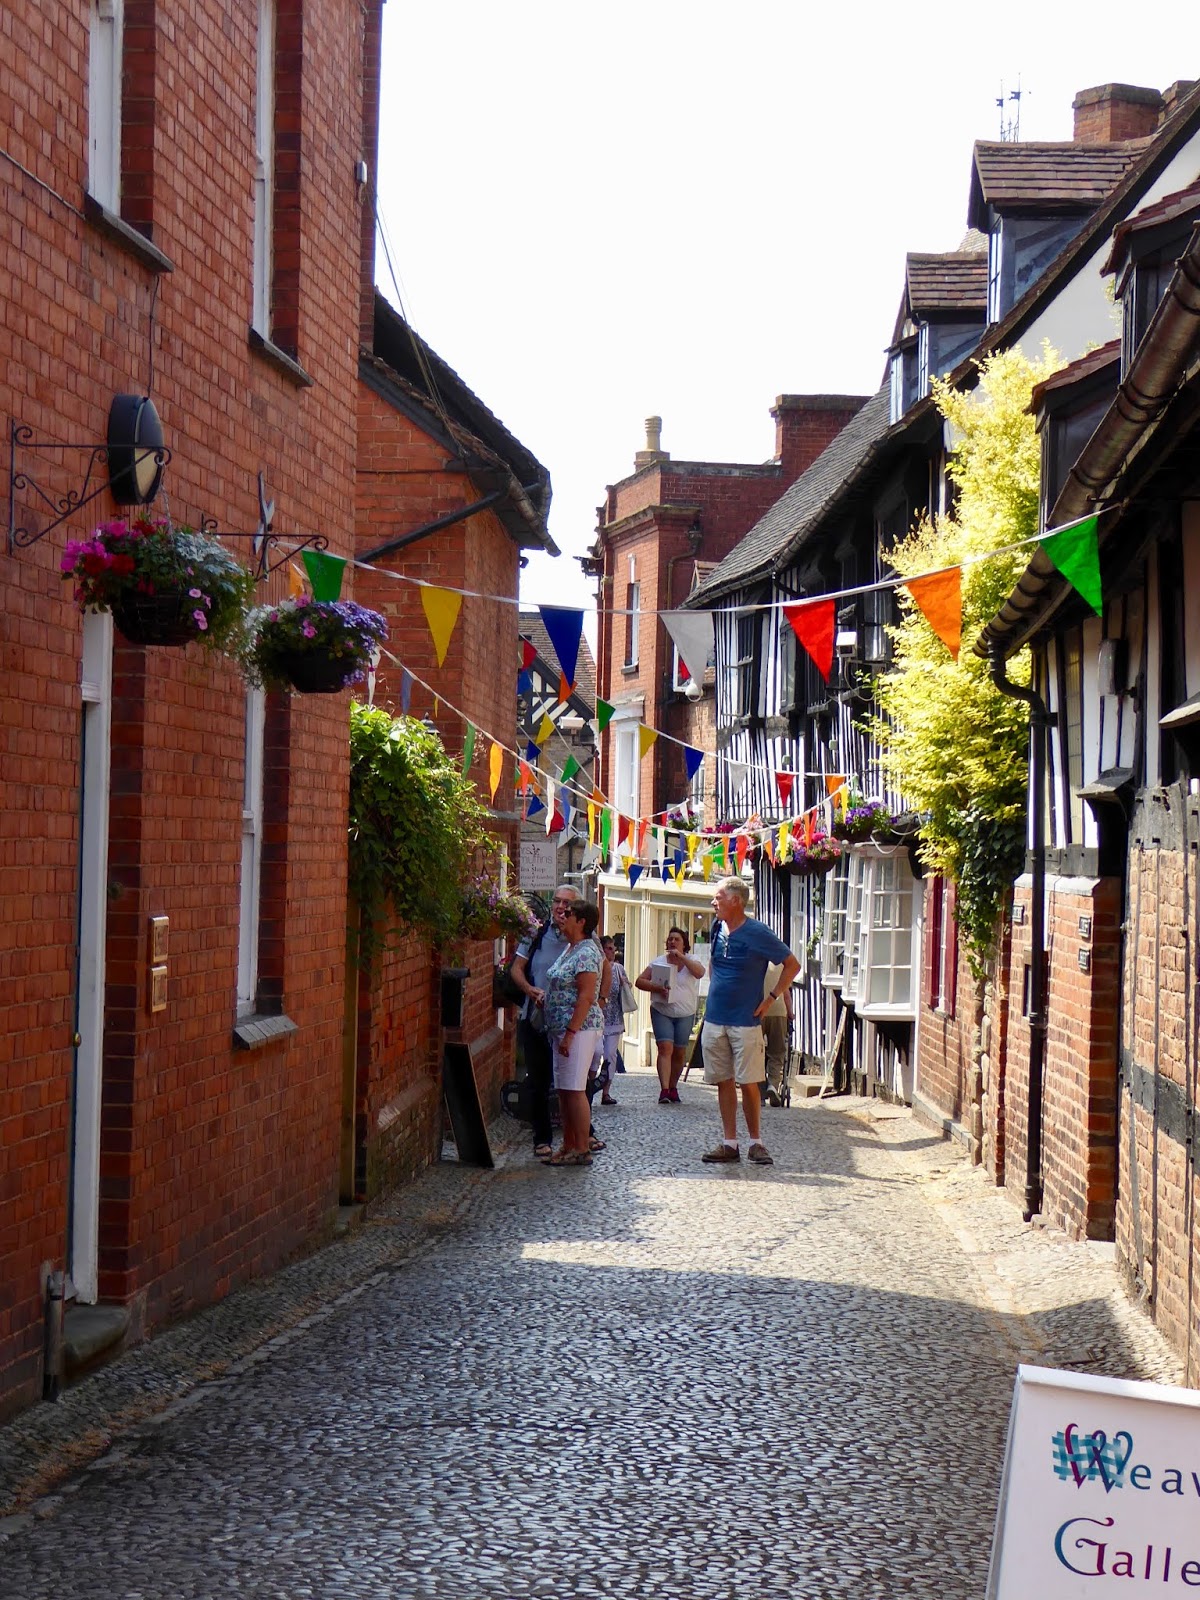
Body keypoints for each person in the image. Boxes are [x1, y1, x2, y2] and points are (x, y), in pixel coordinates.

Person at [700, 877, 801, 1166]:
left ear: (737, 900)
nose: (713, 902)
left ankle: (756, 1142)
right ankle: (729, 1143)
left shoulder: (758, 932)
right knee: (723, 1080)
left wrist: (771, 999)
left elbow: (792, 965)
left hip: (746, 1020)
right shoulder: (717, 928)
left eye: (718, 897)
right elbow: (714, 965)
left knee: (749, 1081)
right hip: (715, 1017)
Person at [510, 885, 575, 1158]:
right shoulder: (536, 932)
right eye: (557, 901)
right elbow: (516, 968)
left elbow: (602, 970)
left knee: (571, 1081)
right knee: (539, 1079)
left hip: (570, 1022)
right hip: (535, 1017)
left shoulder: (583, 937)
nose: (560, 907)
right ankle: (542, 1137)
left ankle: (581, 1135)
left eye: (566, 904)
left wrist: (602, 1001)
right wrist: (530, 990)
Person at [542, 899, 605, 1166]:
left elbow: (586, 996)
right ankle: (568, 1145)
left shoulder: (587, 952)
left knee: (576, 1089)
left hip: (579, 1030)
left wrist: (570, 1033)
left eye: (569, 913)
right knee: (565, 1090)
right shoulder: (571, 948)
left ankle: (581, 1148)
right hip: (561, 1030)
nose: (562, 916)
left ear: (581, 922)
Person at [636, 926, 703, 1104]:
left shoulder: (692, 960)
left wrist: (681, 958)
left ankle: (673, 1087)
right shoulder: (658, 962)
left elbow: (700, 973)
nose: (672, 941)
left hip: (685, 1012)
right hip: (662, 1010)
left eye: (677, 939)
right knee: (665, 1048)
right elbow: (639, 981)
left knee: (680, 1052)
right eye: (670, 939)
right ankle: (664, 1090)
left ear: (684, 944)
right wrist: (656, 987)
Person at [596, 936, 628, 1105]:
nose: (612, 952)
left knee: (610, 1055)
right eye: (608, 948)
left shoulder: (618, 969)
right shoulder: (595, 967)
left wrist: (625, 984)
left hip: (614, 1018)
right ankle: (587, 1088)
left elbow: (625, 990)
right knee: (595, 1054)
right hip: (595, 1018)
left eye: (613, 948)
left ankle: (606, 1092)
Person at [761, 961, 794, 1107]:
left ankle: (758, 1091)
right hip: (779, 1011)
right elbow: (786, 994)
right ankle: (773, 1085)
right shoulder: (781, 964)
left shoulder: (753, 960)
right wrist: (791, 1014)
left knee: (756, 1052)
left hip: (757, 1010)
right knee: (777, 1051)